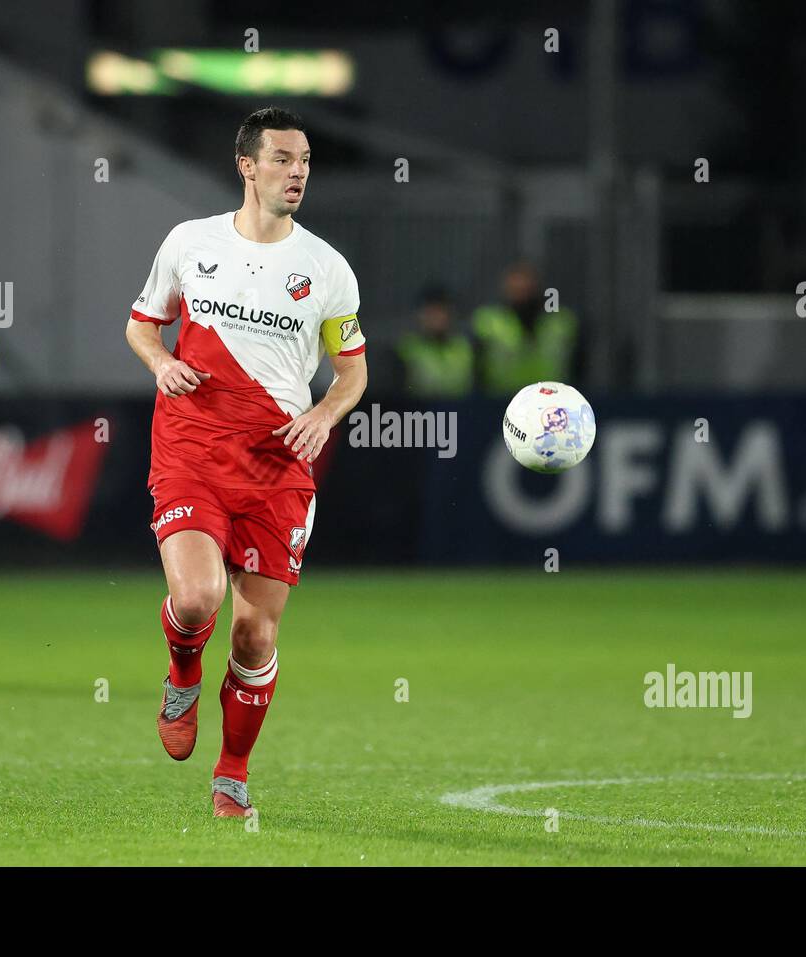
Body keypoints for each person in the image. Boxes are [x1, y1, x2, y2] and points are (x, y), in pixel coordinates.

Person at [124, 107, 368, 818]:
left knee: (256, 632)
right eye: (284, 159)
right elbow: (143, 323)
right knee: (198, 597)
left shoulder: (327, 268)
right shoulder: (189, 242)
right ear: (247, 166)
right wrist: (162, 360)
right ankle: (181, 670)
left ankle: (232, 774)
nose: (298, 172)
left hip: (277, 461)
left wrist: (324, 414)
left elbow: (352, 372)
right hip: (193, 446)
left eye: (306, 161)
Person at [472, 260, 577, 395]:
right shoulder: (489, 322)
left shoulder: (560, 321)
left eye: (526, 289)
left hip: (553, 398)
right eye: (516, 290)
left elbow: (578, 362)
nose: (522, 294)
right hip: (500, 399)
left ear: (537, 288)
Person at [394, 285, 474, 398]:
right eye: (430, 312)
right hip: (421, 413)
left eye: (441, 311)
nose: (436, 317)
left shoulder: (464, 347)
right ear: (419, 315)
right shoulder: (406, 349)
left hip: (462, 412)